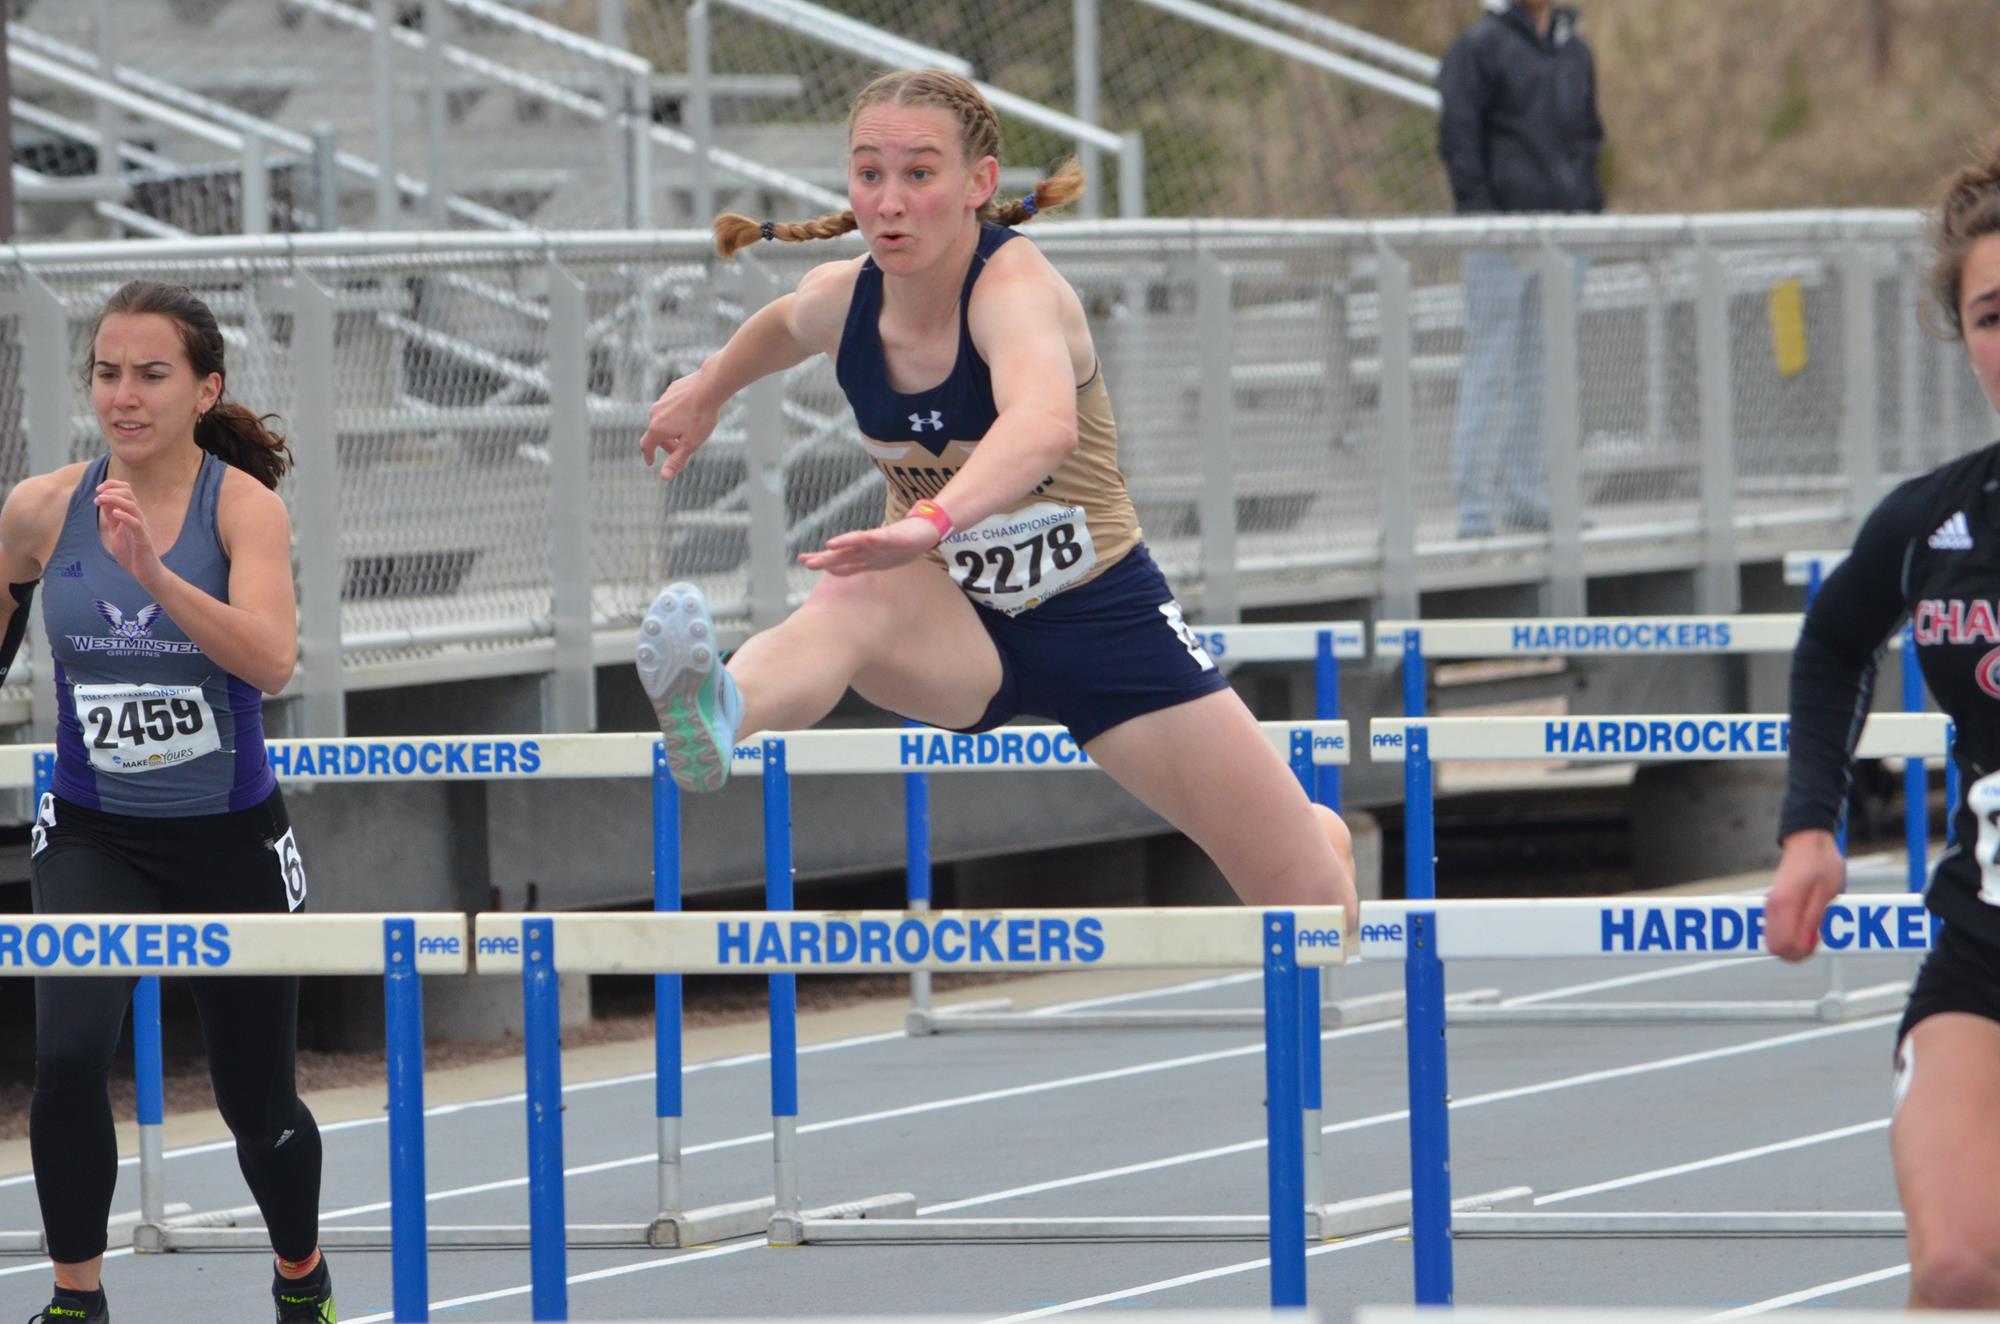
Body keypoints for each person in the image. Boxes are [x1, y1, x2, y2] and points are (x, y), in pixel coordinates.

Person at [634, 68, 1357, 921]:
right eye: (870, 174)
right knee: (852, 593)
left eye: (920, 174)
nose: (890, 202)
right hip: (954, 620)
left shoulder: (1014, 292)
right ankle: (720, 711)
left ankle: (1320, 838)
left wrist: (931, 520)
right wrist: (707, 389)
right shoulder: (842, 300)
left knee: (1315, 903)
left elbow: (1043, 425)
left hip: (1103, 624)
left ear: (978, 185)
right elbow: (780, 327)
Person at [3, 282, 333, 1323]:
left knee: (254, 1099)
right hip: (97, 831)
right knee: (63, 1060)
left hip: (229, 838)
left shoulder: (242, 507)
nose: (124, 395)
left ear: (205, 390)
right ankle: (75, 1299)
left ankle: (299, 1273)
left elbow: (272, 660)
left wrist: (155, 575)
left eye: (151, 374)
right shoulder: (40, 509)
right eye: (107, 372)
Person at [1765, 140, 2000, 1309]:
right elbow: (1826, 642)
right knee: (1956, 1269)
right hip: (1984, 953)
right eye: (1991, 313)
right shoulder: (1930, 524)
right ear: (1958, 337)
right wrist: (1808, 826)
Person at [1436, 0, 1605, 538]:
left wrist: (1585, 213)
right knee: (1491, 363)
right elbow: (1458, 136)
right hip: (1500, 237)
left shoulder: (1575, 52)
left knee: (1544, 369)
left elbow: (1587, 139)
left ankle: (1527, 495)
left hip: (1563, 238)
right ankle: (1474, 506)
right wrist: (1484, 219)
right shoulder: (1478, 47)